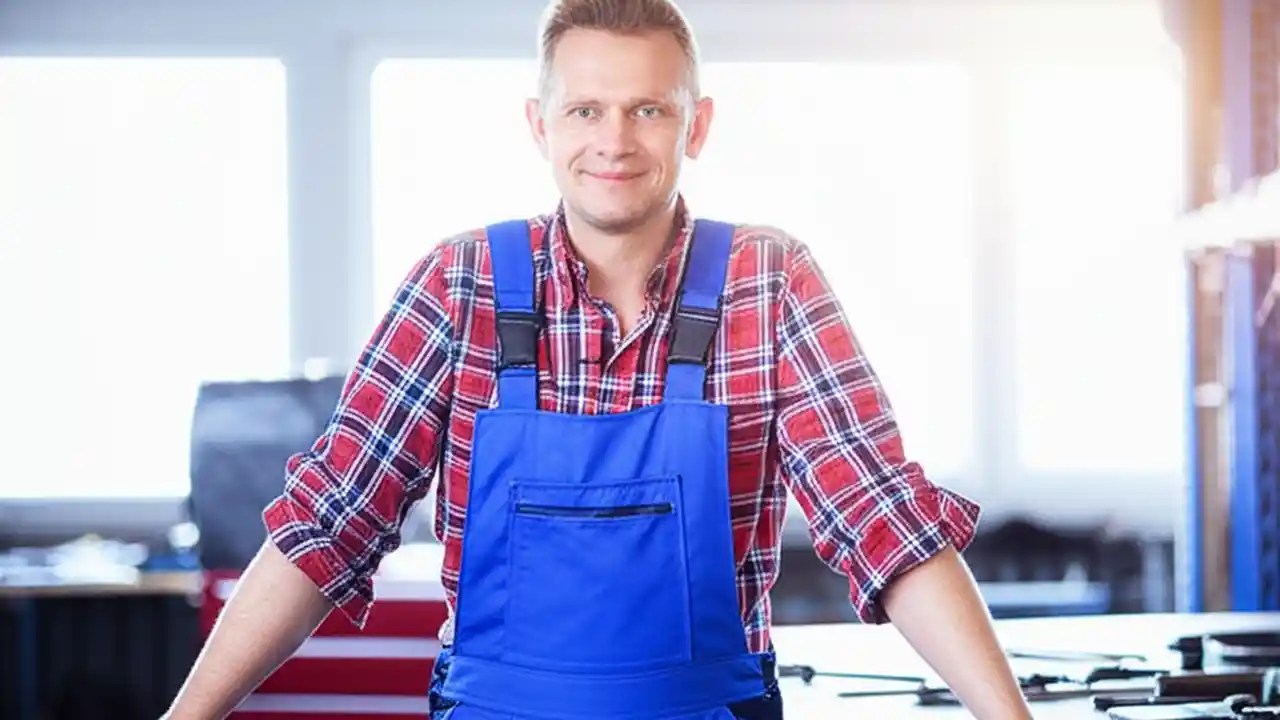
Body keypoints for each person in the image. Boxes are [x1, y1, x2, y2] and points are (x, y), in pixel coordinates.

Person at [166, 1, 1033, 718]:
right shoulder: (458, 284)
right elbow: (331, 518)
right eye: (586, 109)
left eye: (648, 108)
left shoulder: (769, 282)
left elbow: (880, 517)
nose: (614, 140)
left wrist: (1009, 717)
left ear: (696, 125)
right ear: (540, 124)